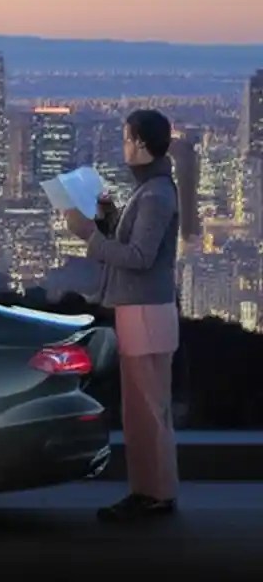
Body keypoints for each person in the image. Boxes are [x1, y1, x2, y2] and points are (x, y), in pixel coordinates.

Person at [63, 108, 196, 523]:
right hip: (143, 310)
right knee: (144, 407)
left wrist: (88, 237)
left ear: (140, 143)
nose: (123, 146)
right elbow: (135, 241)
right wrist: (107, 218)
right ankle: (152, 490)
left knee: (146, 408)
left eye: (126, 138)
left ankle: (153, 494)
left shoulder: (156, 193)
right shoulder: (152, 188)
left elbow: (139, 257)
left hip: (145, 312)